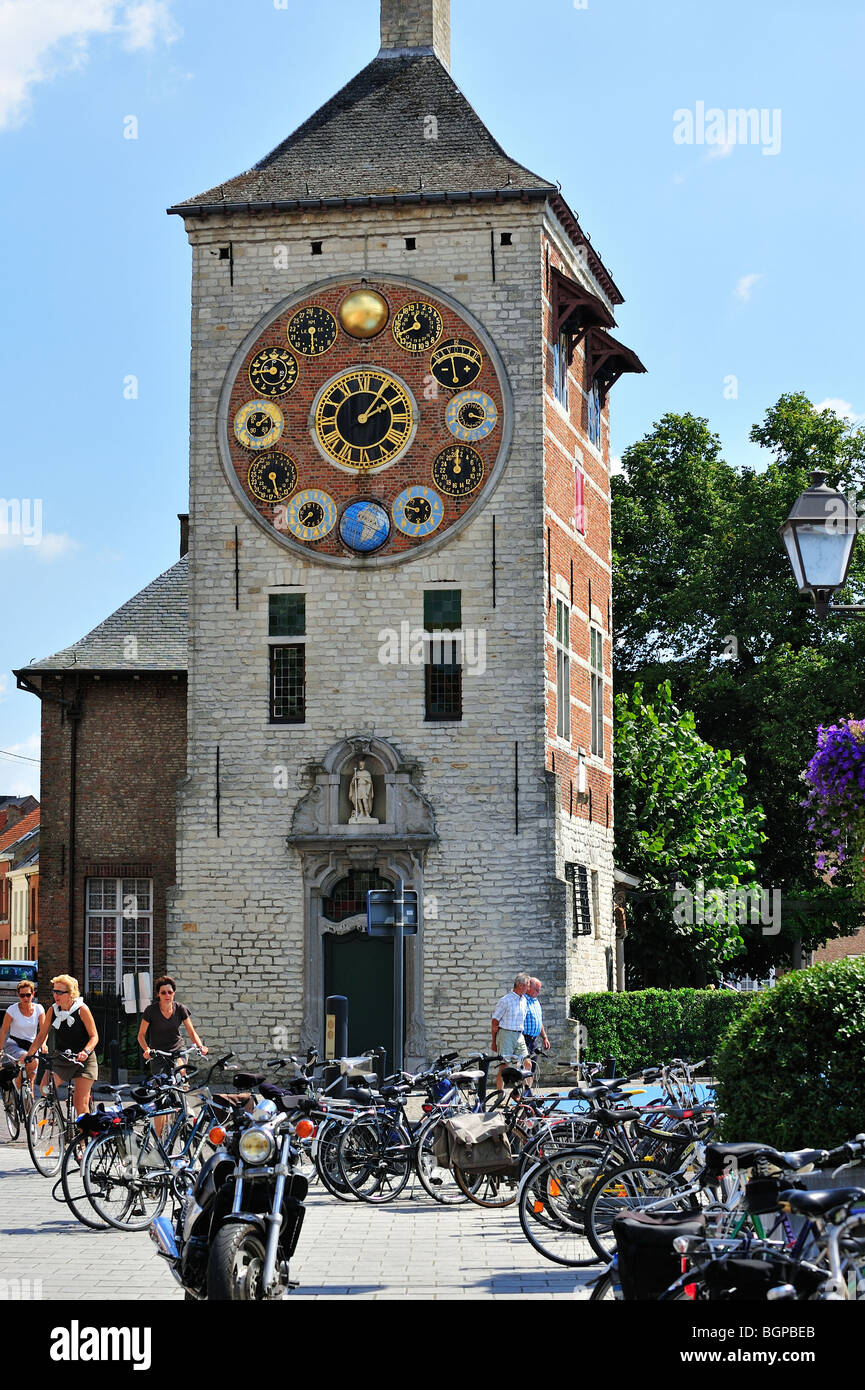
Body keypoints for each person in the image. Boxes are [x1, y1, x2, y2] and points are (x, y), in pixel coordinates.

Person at [25, 974, 99, 1117]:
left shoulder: (82, 1009)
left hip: (83, 1059)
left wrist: (86, 1051)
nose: (55, 995)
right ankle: (56, 1115)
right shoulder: (53, 1010)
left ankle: (84, 1139)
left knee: (80, 1103)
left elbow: (94, 1036)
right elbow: (41, 1035)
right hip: (62, 1056)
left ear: (71, 994)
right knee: (45, 1087)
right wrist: (30, 1054)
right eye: (54, 991)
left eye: (60, 992)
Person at [0, 978, 45, 1101]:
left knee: (30, 1083)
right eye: (22, 995)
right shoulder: (12, 1010)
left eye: (28, 995)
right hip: (14, 1044)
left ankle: (30, 1117)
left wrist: (44, 1044)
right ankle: (18, 1081)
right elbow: (4, 1031)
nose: (25, 998)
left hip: (32, 1045)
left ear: (33, 994)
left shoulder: (39, 1009)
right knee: (28, 1058)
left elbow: (43, 1030)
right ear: (18, 995)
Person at [491, 973, 529, 1090]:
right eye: (527, 985)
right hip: (506, 1033)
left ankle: (526, 1094)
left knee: (527, 1063)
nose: (528, 988)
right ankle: (499, 1095)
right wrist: (494, 1041)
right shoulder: (505, 1000)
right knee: (504, 1065)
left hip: (519, 1034)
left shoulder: (524, 1000)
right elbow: (494, 1020)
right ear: (520, 985)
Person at [523, 977, 551, 1060]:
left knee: (533, 1066)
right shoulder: (522, 1001)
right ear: (528, 987)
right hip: (524, 1039)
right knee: (526, 1066)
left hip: (533, 1040)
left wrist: (544, 1037)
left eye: (539, 990)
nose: (538, 992)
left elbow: (539, 1021)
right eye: (536, 989)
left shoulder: (536, 1001)